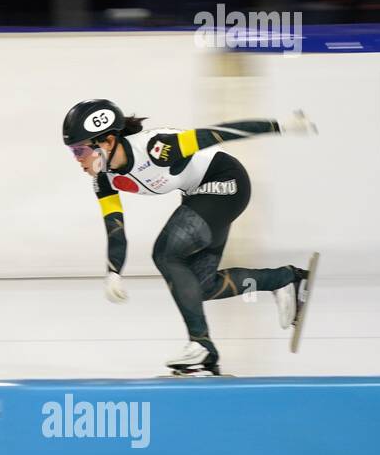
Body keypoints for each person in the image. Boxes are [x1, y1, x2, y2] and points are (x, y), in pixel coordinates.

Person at [62, 98, 317, 374]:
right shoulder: (102, 179)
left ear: (108, 142)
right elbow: (115, 227)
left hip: (226, 181)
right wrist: (114, 272)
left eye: (79, 150)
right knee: (200, 286)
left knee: (165, 253)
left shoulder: (157, 149)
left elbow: (219, 133)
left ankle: (201, 345)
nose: (77, 159)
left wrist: (281, 126)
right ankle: (286, 279)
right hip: (198, 196)